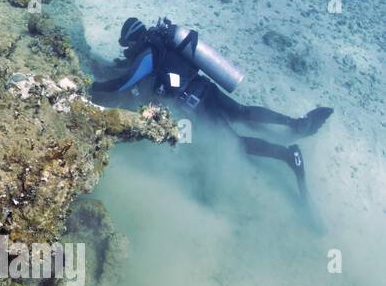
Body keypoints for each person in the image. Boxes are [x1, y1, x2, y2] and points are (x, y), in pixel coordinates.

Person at [90, 17, 332, 229]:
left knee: (235, 144)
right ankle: (295, 124)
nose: (127, 51)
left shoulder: (149, 55)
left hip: (196, 104)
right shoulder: (164, 44)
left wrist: (92, 88)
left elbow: (125, 82)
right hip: (207, 89)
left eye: (127, 46)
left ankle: (288, 155)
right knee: (243, 113)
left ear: (131, 41)